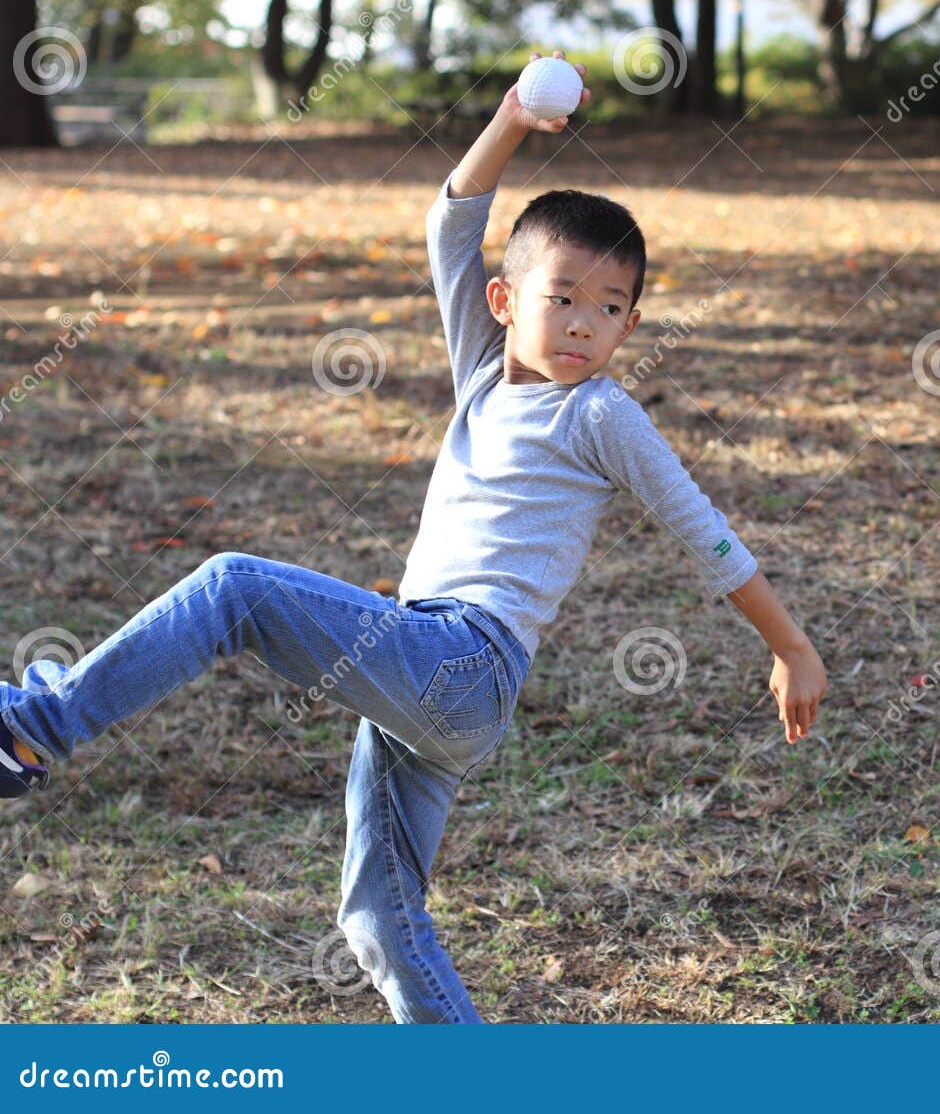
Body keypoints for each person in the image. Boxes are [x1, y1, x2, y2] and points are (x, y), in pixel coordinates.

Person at [0, 51, 828, 1023]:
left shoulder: (601, 417)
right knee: (381, 921)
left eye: (610, 309)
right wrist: (514, 117)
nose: (583, 324)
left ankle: (32, 729)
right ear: (505, 301)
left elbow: (707, 536)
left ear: (630, 323)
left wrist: (791, 643)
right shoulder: (484, 374)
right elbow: (451, 220)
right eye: (562, 295)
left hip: (464, 666)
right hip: (429, 667)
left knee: (233, 589)